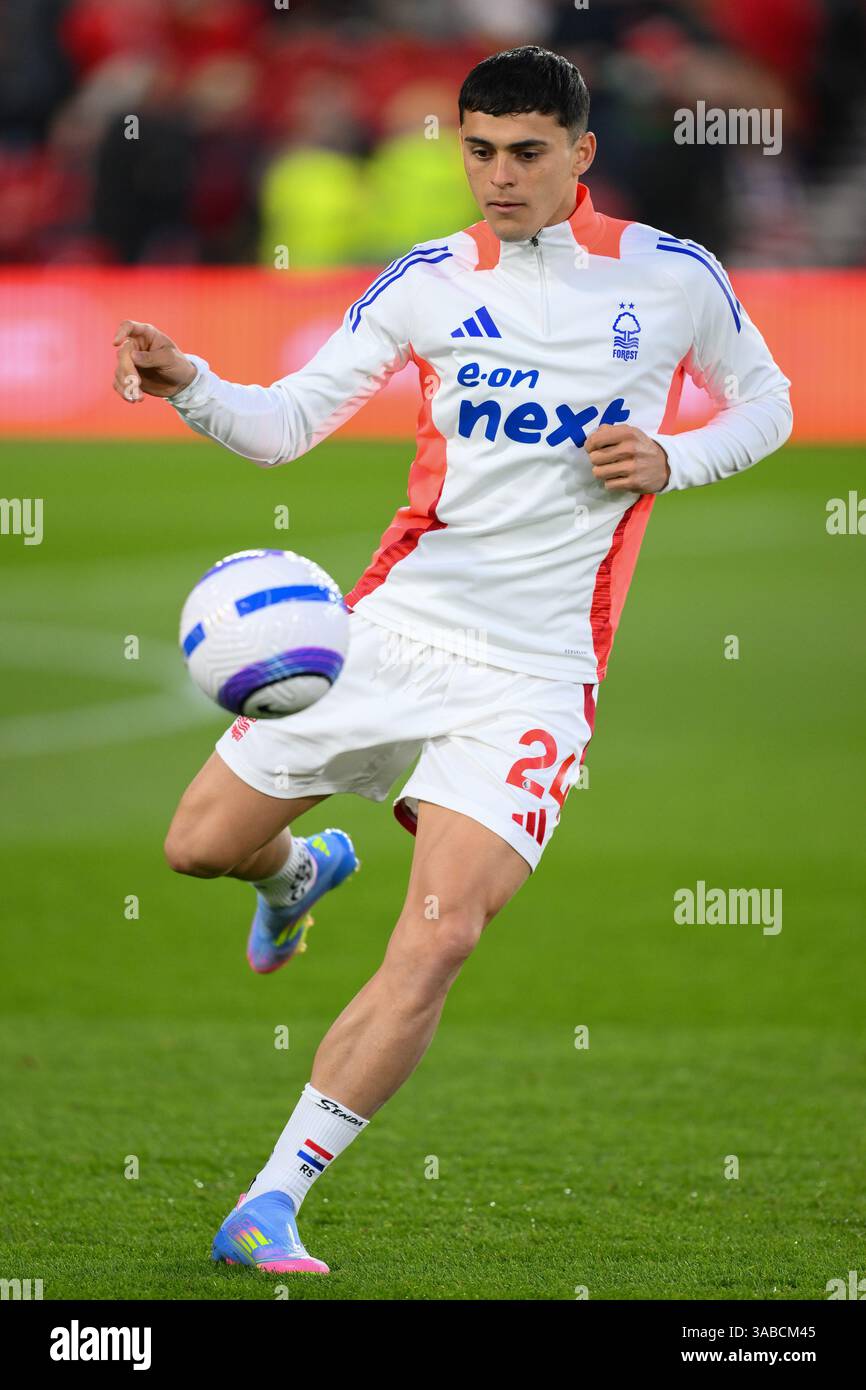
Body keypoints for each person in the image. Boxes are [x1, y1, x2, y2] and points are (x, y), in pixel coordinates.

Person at [112, 45, 792, 1275]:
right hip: (389, 632)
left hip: (534, 674)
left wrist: (674, 457)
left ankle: (272, 1198)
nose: (496, 176)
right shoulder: (424, 283)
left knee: (437, 936)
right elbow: (285, 426)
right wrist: (190, 381)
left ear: (580, 155)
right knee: (196, 846)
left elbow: (768, 401)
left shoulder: (670, 277)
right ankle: (296, 871)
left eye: (526, 152)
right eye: (476, 149)